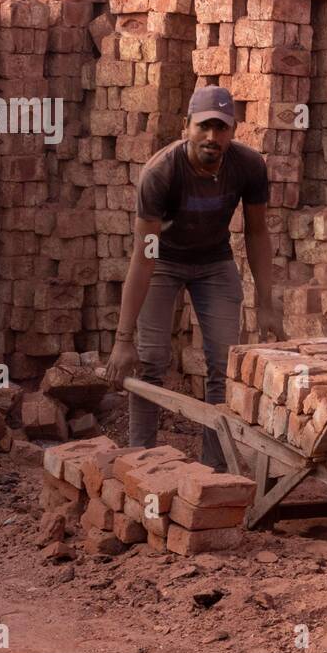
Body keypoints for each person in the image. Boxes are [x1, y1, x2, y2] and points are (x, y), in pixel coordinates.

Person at [104, 85, 284, 469]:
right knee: (151, 359)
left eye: (221, 129)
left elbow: (256, 233)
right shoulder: (161, 173)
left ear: (233, 132)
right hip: (162, 262)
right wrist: (123, 339)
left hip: (214, 262)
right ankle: (141, 460)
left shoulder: (249, 166)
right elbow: (144, 254)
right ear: (187, 126)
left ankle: (214, 470)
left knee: (224, 364)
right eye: (204, 127)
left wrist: (266, 304)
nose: (212, 137)